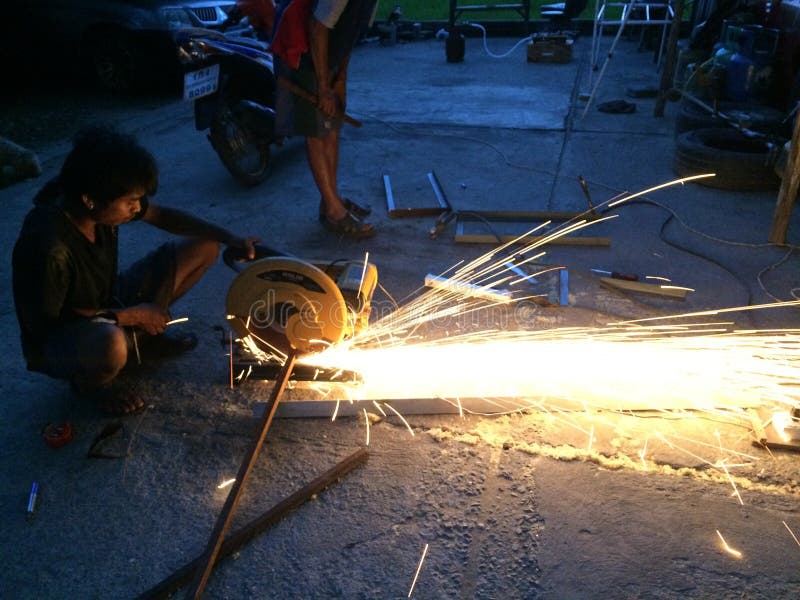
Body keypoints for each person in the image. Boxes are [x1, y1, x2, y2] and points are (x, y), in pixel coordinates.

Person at [12, 127, 260, 414]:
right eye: (130, 202)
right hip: (64, 335)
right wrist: (136, 314)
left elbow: (162, 216)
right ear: (90, 200)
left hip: (107, 300)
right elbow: (52, 324)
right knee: (111, 343)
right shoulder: (49, 246)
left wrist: (229, 237)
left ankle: (143, 340)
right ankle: (92, 385)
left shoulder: (94, 197)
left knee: (205, 247)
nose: (137, 208)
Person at [272, 0, 378, 239]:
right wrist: (322, 87)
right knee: (317, 131)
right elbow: (318, 27)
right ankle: (333, 210)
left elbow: (351, 35)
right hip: (302, 53)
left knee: (332, 126)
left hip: (327, 55)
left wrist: (340, 78)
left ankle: (331, 200)